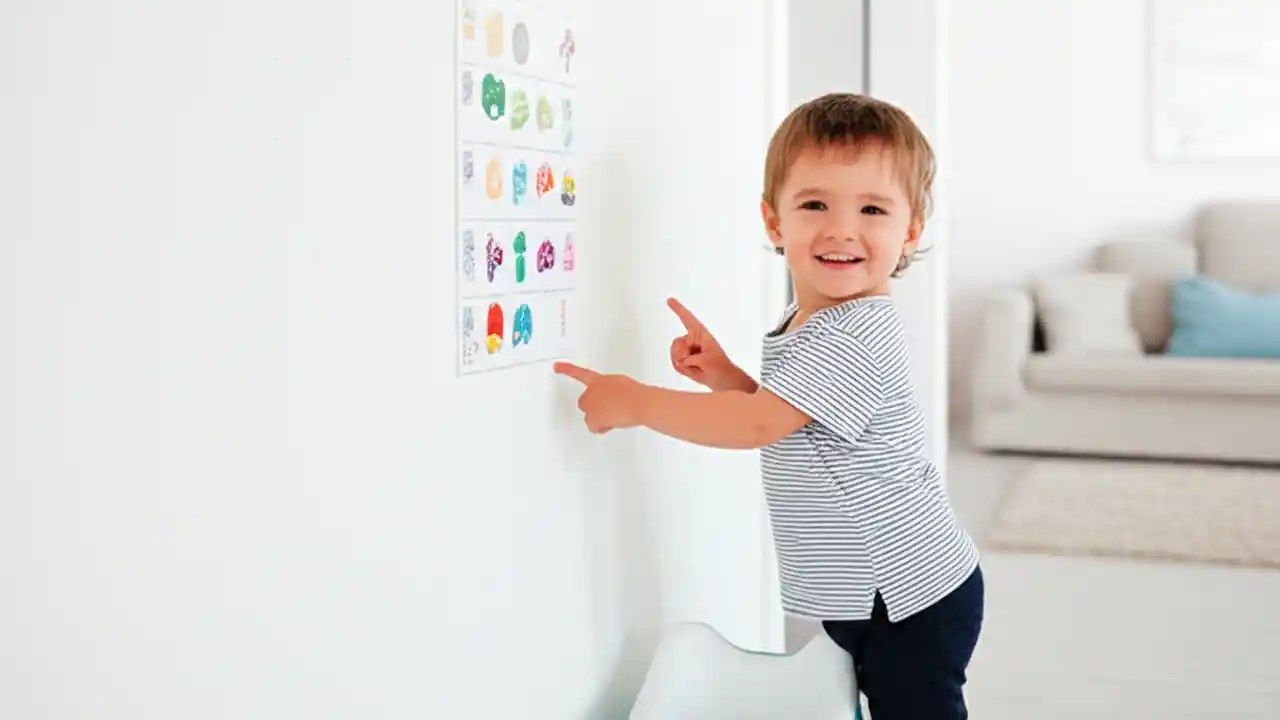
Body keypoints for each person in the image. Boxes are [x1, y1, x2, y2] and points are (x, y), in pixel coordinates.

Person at [554, 93, 983, 719]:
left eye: (872, 208)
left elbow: (758, 425)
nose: (841, 229)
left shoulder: (856, 332)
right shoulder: (812, 321)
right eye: (815, 204)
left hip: (907, 593)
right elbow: (794, 424)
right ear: (774, 221)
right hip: (874, 591)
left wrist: (638, 402)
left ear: (911, 229)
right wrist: (727, 376)